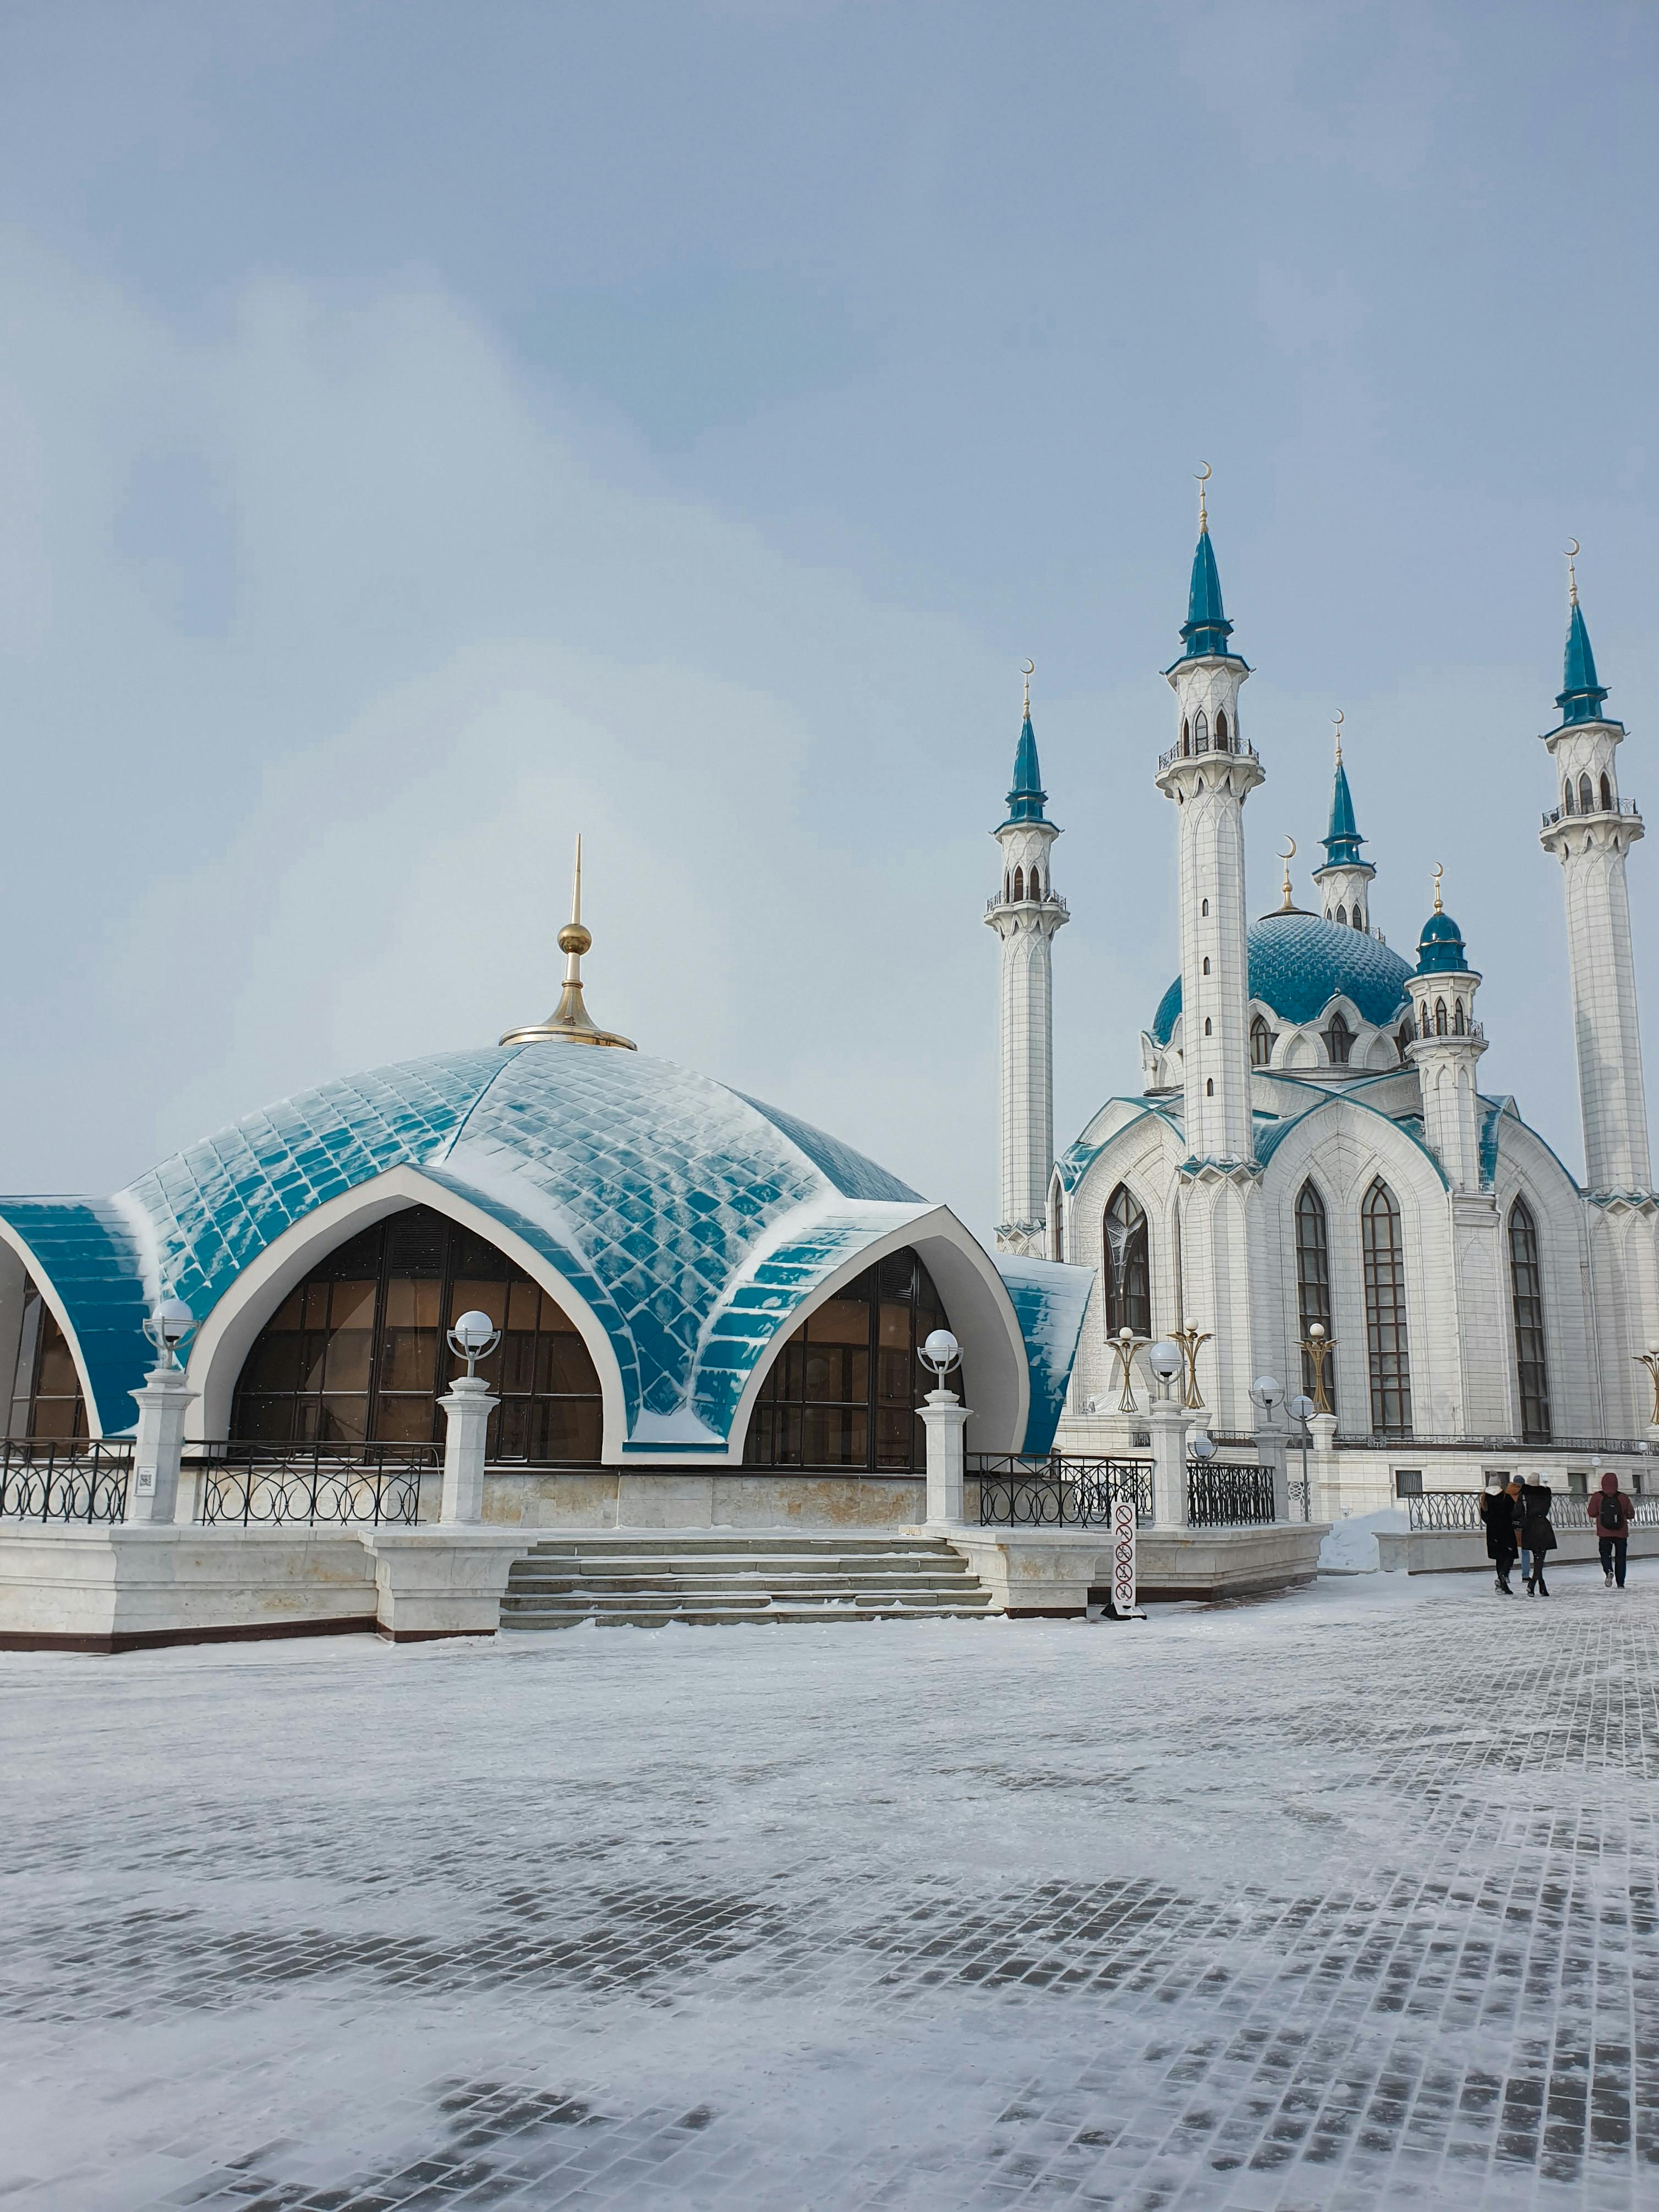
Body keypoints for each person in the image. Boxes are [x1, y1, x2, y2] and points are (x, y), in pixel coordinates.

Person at [1589, 1470, 1634, 1589]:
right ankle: (1621, 1583)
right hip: (1621, 1533)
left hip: (1604, 1533)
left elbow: (1592, 1513)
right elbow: (1631, 1515)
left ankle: (1609, 1570)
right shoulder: (1623, 1497)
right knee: (1621, 1558)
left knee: (1605, 1554)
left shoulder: (1598, 1497)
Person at [1518, 1473, 1556, 1596]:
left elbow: (1519, 1509)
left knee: (1537, 1555)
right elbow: (1547, 1508)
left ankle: (1538, 1584)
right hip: (1543, 1524)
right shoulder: (1545, 1493)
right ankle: (1537, 1584)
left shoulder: (1524, 1493)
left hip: (1530, 1525)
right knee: (1540, 1556)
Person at [1479, 1475, 1519, 1594]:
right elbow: (1513, 1512)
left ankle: (1502, 1586)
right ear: (1500, 1484)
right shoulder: (1506, 1497)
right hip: (1506, 1528)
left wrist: (1492, 1521)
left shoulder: (1485, 1498)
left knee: (1499, 1557)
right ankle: (1502, 1576)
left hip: (1492, 1531)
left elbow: (1483, 1515)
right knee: (1509, 1554)